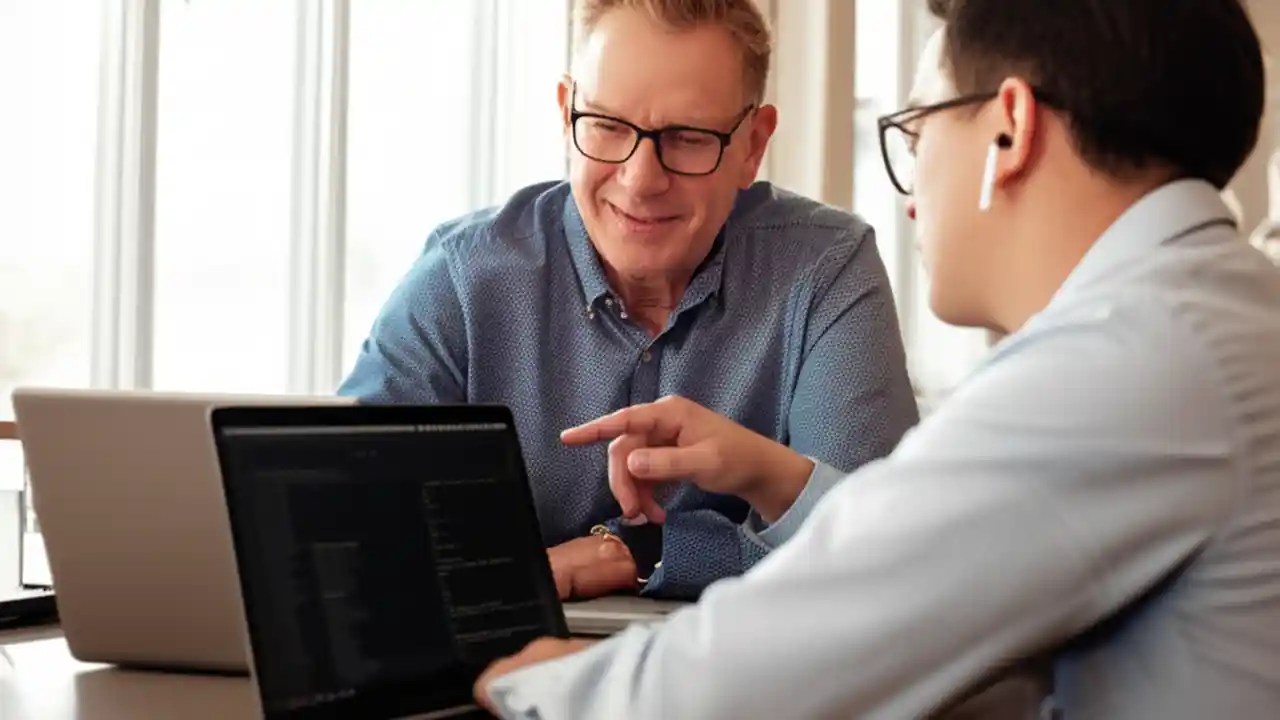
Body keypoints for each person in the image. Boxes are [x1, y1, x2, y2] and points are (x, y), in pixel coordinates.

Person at [474, 0, 1280, 716]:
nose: (909, 192)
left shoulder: (1127, 363)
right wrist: (774, 478)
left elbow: (791, 662)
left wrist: (541, 687)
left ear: (1010, 128)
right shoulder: (1217, 316)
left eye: (918, 128)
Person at [338, 0, 917, 601]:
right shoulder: (461, 280)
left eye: (688, 138)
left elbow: (883, 547)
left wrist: (642, 552)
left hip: (750, 684)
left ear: (752, 145)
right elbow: (343, 525)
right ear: (567, 115)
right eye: (608, 127)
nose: (640, 180)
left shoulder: (826, 270)